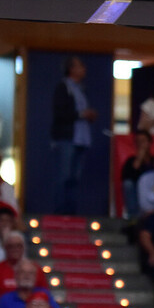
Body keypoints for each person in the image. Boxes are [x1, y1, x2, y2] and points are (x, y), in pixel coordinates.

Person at [51, 57, 97, 215]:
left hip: (81, 139)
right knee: (63, 177)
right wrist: (82, 114)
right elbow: (60, 113)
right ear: (71, 69)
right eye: (80, 66)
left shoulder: (81, 88)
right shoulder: (63, 87)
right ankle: (59, 212)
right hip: (67, 138)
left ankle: (71, 213)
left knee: (74, 179)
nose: (84, 68)